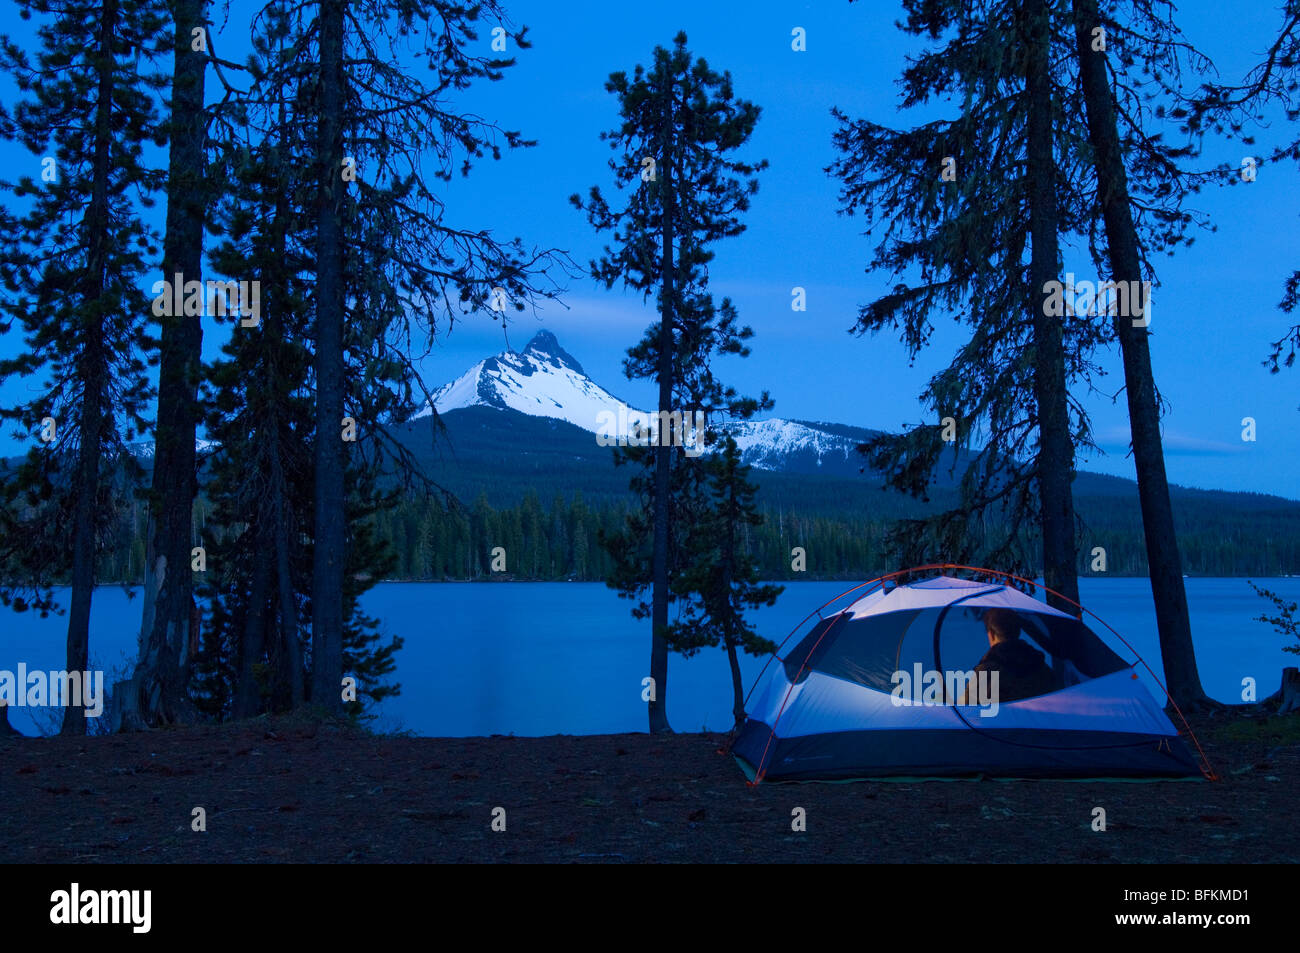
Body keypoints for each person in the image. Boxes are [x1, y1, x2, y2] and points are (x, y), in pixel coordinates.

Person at [958, 608, 1055, 705]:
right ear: (1018, 631)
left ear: (991, 634)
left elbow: (966, 711)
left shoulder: (986, 673)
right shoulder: (1041, 666)